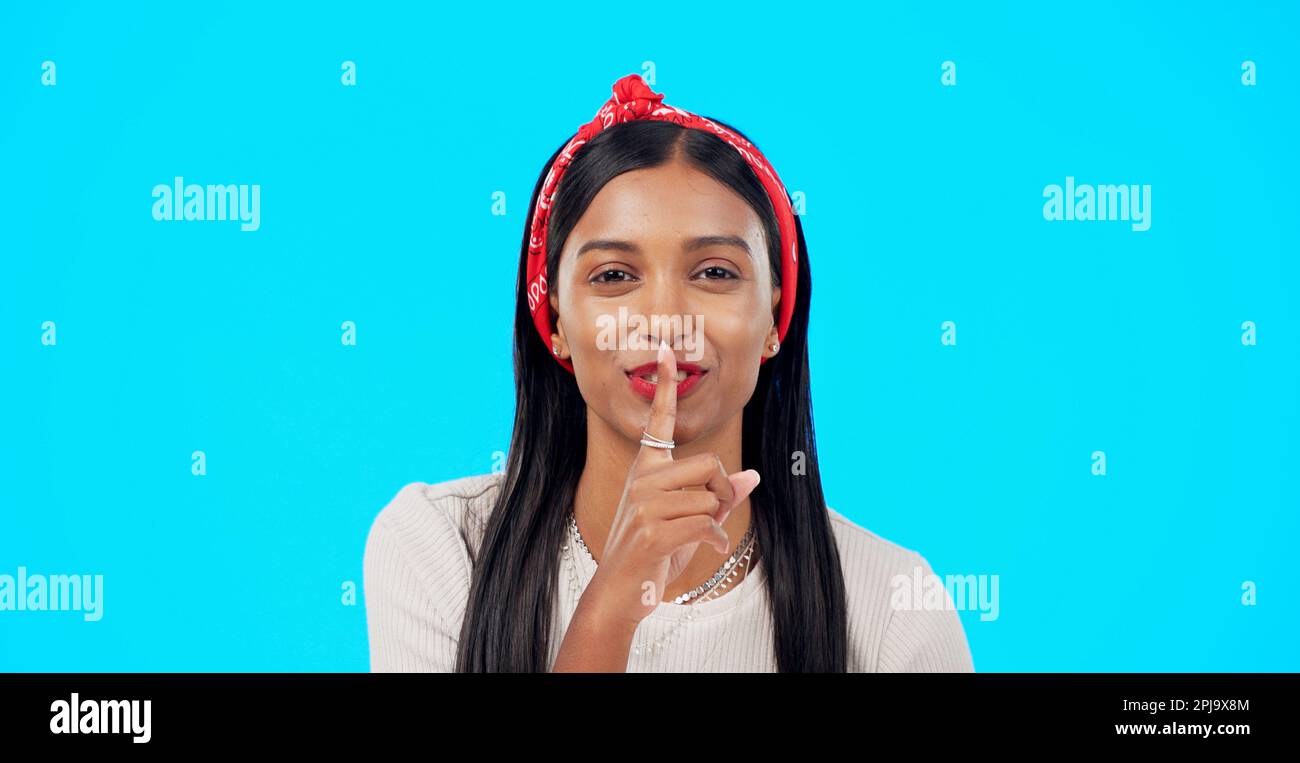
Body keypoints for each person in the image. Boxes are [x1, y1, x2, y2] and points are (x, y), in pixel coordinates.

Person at [364, 73, 974, 672]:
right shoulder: (438, 546)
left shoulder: (895, 607)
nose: (664, 320)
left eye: (715, 273)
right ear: (554, 323)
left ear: (773, 318)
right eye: (613, 276)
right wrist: (611, 606)